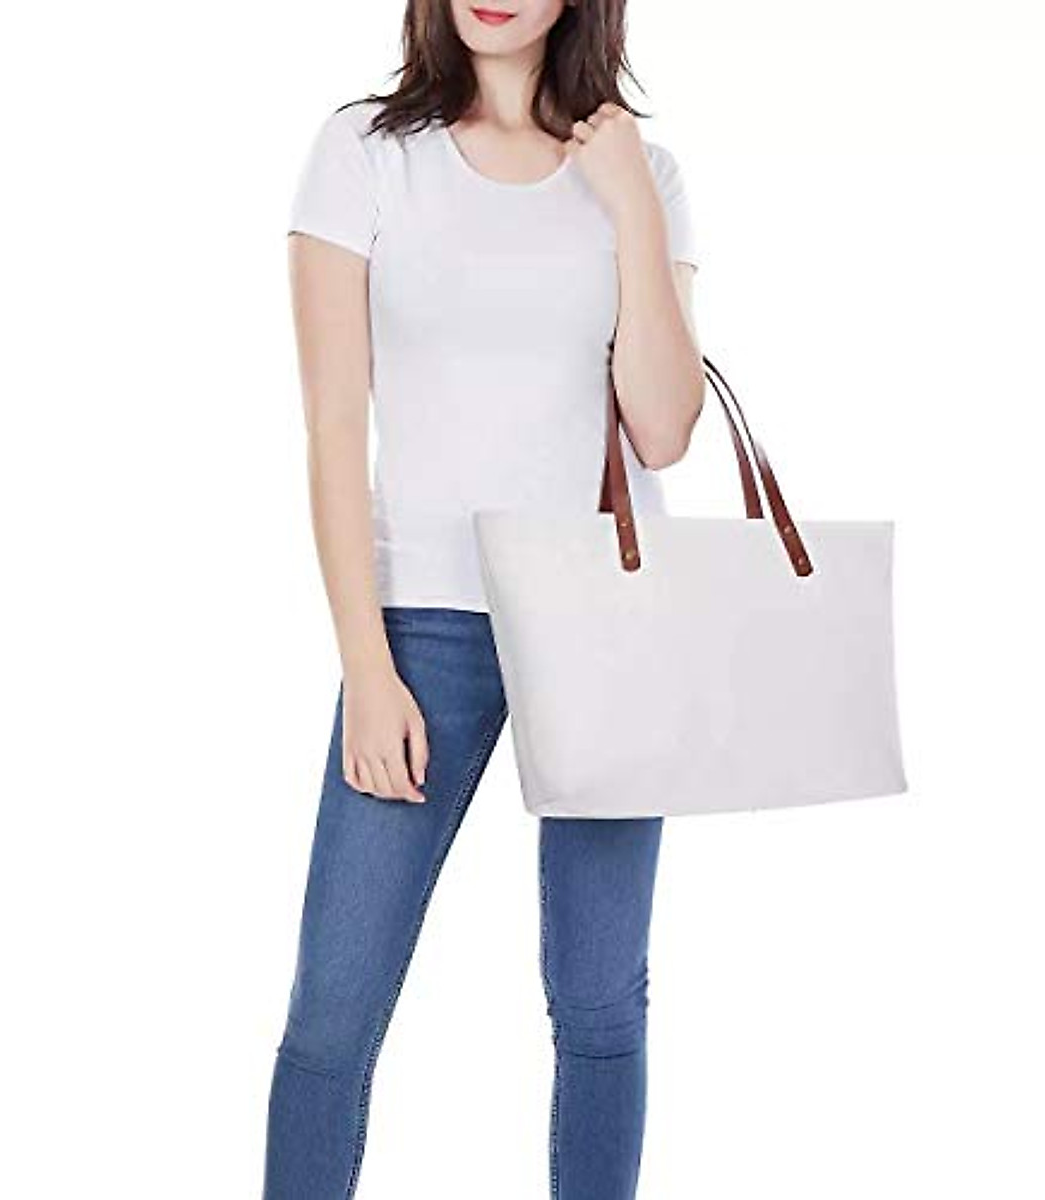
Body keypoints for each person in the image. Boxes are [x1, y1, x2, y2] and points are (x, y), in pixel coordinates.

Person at [264, 1, 704, 1195]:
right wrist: (366, 666)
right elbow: (332, 431)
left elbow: (664, 431)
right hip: (423, 625)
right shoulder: (363, 154)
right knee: (333, 1012)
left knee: (600, 1006)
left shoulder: (642, 171)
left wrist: (633, 207)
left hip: (603, 626)